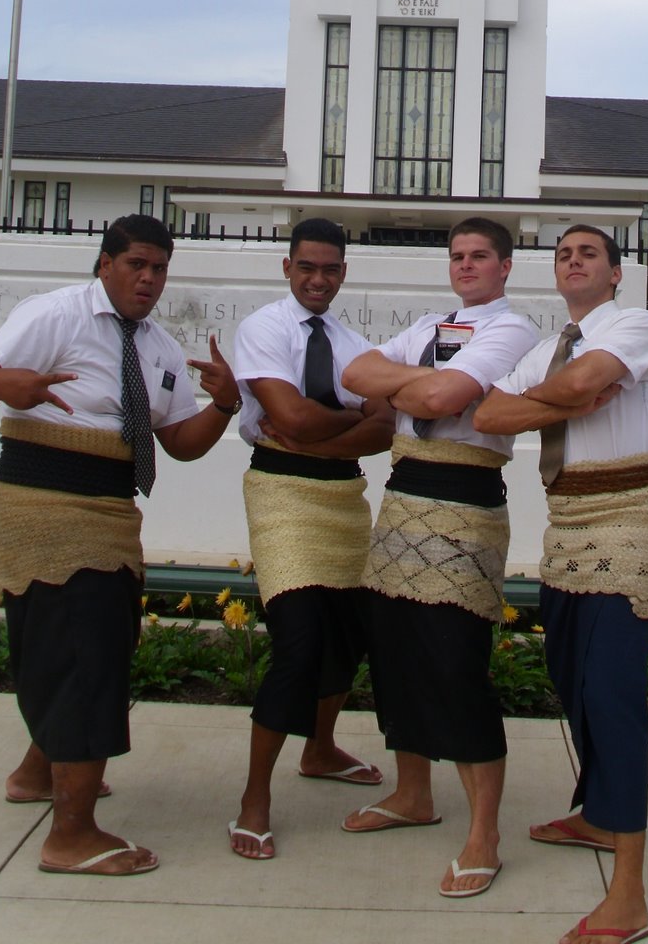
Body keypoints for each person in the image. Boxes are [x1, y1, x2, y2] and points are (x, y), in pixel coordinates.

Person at [0, 213, 240, 877]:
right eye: (136, 264)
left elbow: (180, 445)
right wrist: (7, 386)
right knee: (84, 654)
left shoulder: (161, 348)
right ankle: (71, 837)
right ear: (106, 263)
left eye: (159, 269)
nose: (148, 279)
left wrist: (225, 405)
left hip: (112, 511)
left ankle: (36, 773)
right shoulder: (54, 315)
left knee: (85, 645)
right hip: (42, 504)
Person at [475, 224, 648, 944]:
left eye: (589, 253)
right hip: (566, 529)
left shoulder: (635, 325)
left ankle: (629, 896)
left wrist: (557, 397)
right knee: (569, 676)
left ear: (615, 272)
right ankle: (598, 813)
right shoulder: (545, 348)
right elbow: (489, 414)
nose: (574, 261)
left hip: (627, 522)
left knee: (611, 693)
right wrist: (561, 402)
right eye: (564, 254)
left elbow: (589, 382)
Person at [338, 217, 539, 899]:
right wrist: (419, 383)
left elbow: (443, 398)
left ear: (505, 266)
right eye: (457, 256)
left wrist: (403, 384)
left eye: (480, 256)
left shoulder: (511, 331)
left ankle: (484, 832)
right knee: (396, 653)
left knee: (456, 664)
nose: (466, 265)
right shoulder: (429, 326)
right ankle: (413, 794)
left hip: (465, 503)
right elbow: (354, 374)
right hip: (402, 498)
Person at [227, 217, 395, 860]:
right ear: (288, 267)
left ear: (343, 273)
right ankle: (254, 798)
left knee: (349, 634)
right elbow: (289, 417)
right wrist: (349, 416)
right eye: (307, 267)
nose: (317, 279)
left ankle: (320, 750)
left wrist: (322, 434)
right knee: (297, 644)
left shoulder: (355, 345)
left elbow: (385, 427)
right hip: (283, 494)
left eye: (329, 269)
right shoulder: (264, 328)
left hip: (344, 497)